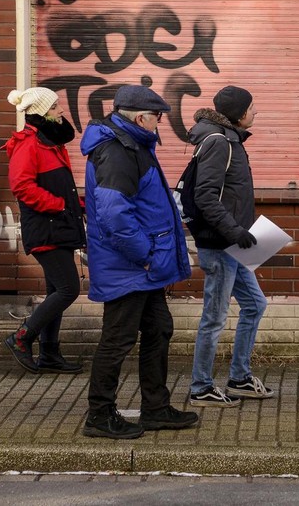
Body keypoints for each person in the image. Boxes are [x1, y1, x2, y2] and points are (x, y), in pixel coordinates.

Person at [79, 84, 199, 439]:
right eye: (158, 117)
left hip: (142, 269)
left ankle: (156, 408)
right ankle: (99, 415)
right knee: (117, 339)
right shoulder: (117, 151)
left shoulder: (132, 145)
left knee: (159, 329)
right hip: (130, 267)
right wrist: (146, 255)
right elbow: (115, 214)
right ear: (141, 117)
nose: (160, 123)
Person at [186, 85, 274, 408]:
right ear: (238, 114)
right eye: (252, 108)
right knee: (214, 317)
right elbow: (205, 196)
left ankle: (239, 377)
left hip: (233, 242)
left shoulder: (231, 140)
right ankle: (201, 387)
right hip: (220, 245)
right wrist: (235, 231)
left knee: (255, 305)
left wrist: (240, 233)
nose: (256, 112)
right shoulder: (219, 143)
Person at [2, 87, 85, 374]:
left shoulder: (50, 143)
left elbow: (58, 185)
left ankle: (50, 354)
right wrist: (60, 206)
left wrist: (77, 204)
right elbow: (22, 187)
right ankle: (22, 337)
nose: (61, 111)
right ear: (39, 112)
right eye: (54, 108)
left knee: (55, 290)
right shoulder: (30, 145)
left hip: (58, 225)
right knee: (68, 288)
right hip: (46, 228)